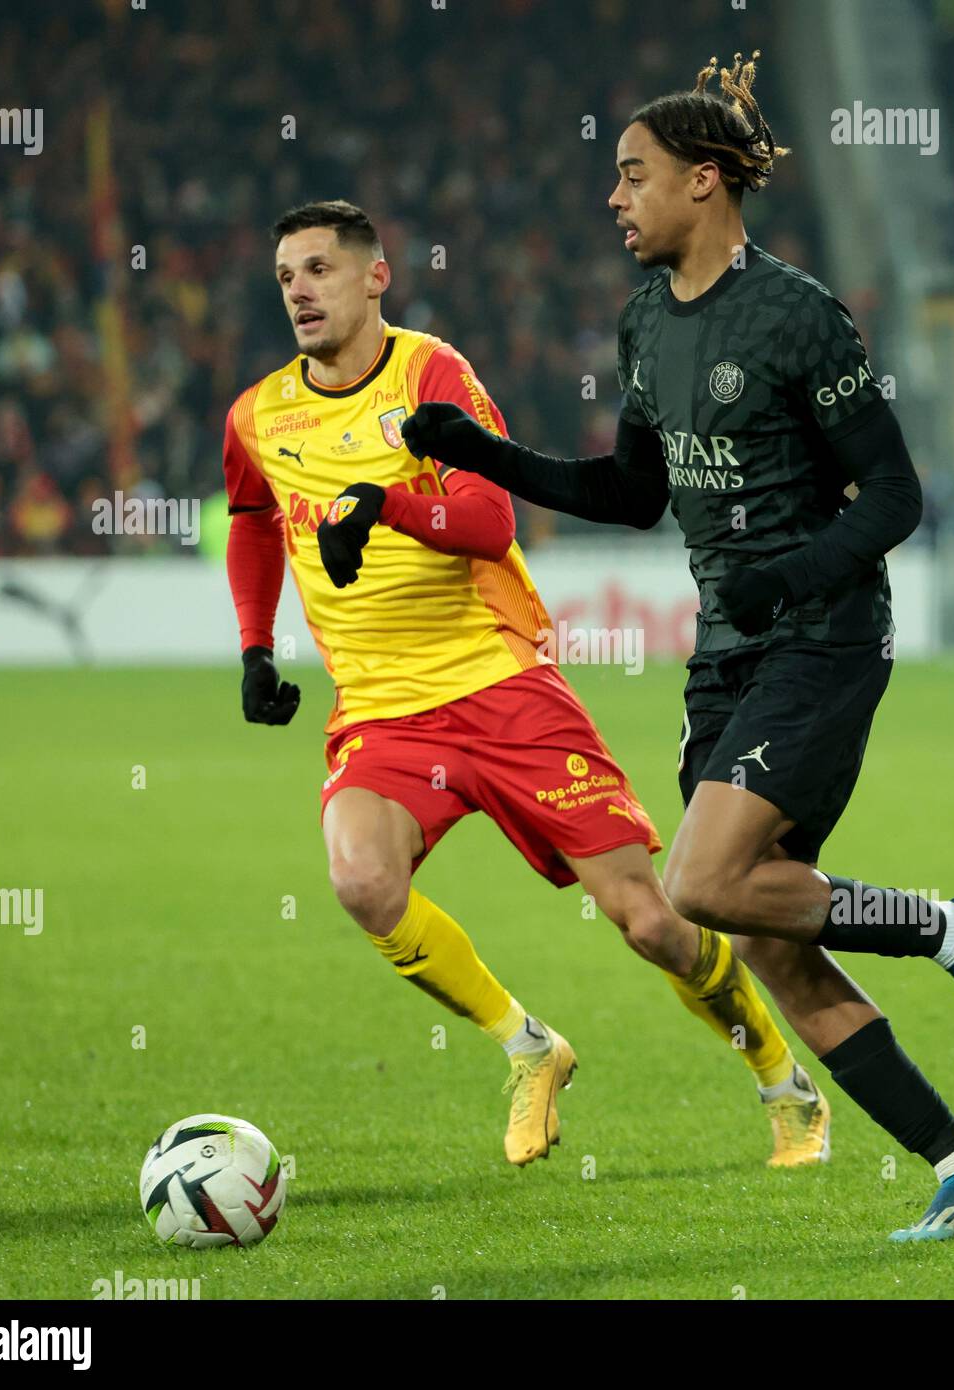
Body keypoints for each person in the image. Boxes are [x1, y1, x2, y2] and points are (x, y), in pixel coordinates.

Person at [403, 53, 954, 1241]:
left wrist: (790, 572)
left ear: (704, 183)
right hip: (728, 656)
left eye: (631, 175)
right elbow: (632, 490)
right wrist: (479, 449)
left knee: (695, 885)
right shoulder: (647, 322)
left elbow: (894, 495)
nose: (613, 197)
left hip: (825, 639)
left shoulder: (798, 316)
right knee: (762, 930)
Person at [223, 199, 831, 1174]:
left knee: (648, 919)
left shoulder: (431, 373)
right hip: (382, 707)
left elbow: (488, 518)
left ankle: (782, 1079)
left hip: (501, 683)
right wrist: (256, 644)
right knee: (362, 880)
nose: (298, 289)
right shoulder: (258, 412)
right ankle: (528, 1045)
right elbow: (253, 515)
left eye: (320, 269)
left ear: (375, 277)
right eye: (286, 274)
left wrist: (383, 504)